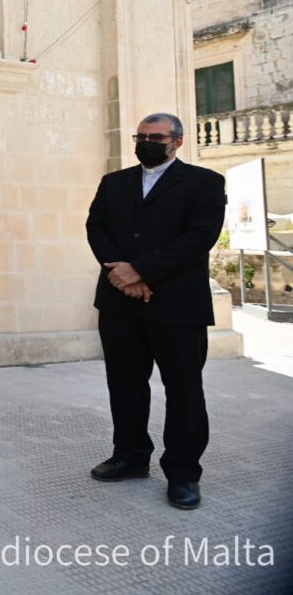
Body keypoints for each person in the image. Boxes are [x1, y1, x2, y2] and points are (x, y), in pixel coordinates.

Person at [85, 113, 226, 510]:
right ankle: (130, 456)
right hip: (119, 301)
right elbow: (96, 229)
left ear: (177, 141)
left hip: (177, 304)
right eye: (141, 136)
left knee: (183, 390)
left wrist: (141, 271)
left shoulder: (204, 182)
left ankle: (183, 473)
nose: (146, 143)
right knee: (125, 384)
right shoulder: (114, 182)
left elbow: (199, 237)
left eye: (156, 137)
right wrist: (122, 275)